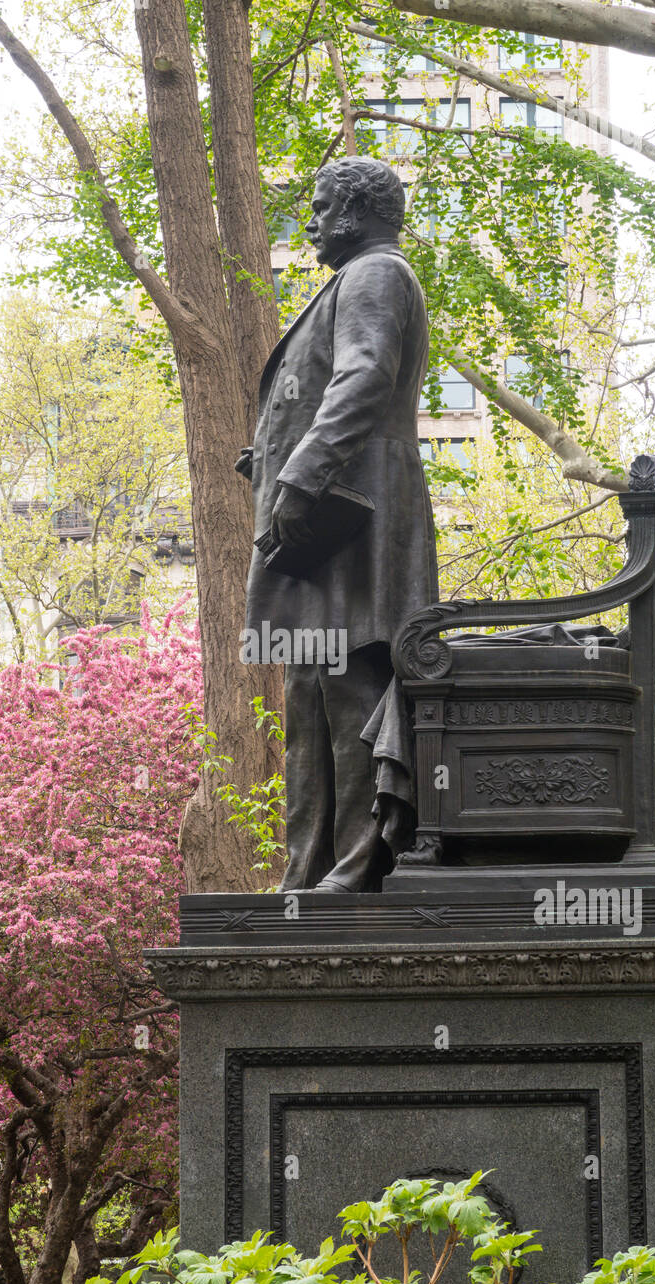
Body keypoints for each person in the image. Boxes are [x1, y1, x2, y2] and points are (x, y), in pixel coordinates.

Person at [235, 156, 438, 893]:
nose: (313, 221)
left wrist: (302, 469)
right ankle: (308, 868)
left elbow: (364, 375)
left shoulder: (378, 273)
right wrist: (272, 456)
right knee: (309, 686)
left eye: (320, 207)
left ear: (355, 209)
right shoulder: (355, 277)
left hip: (353, 523)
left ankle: (356, 865)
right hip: (326, 523)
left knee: (349, 679)